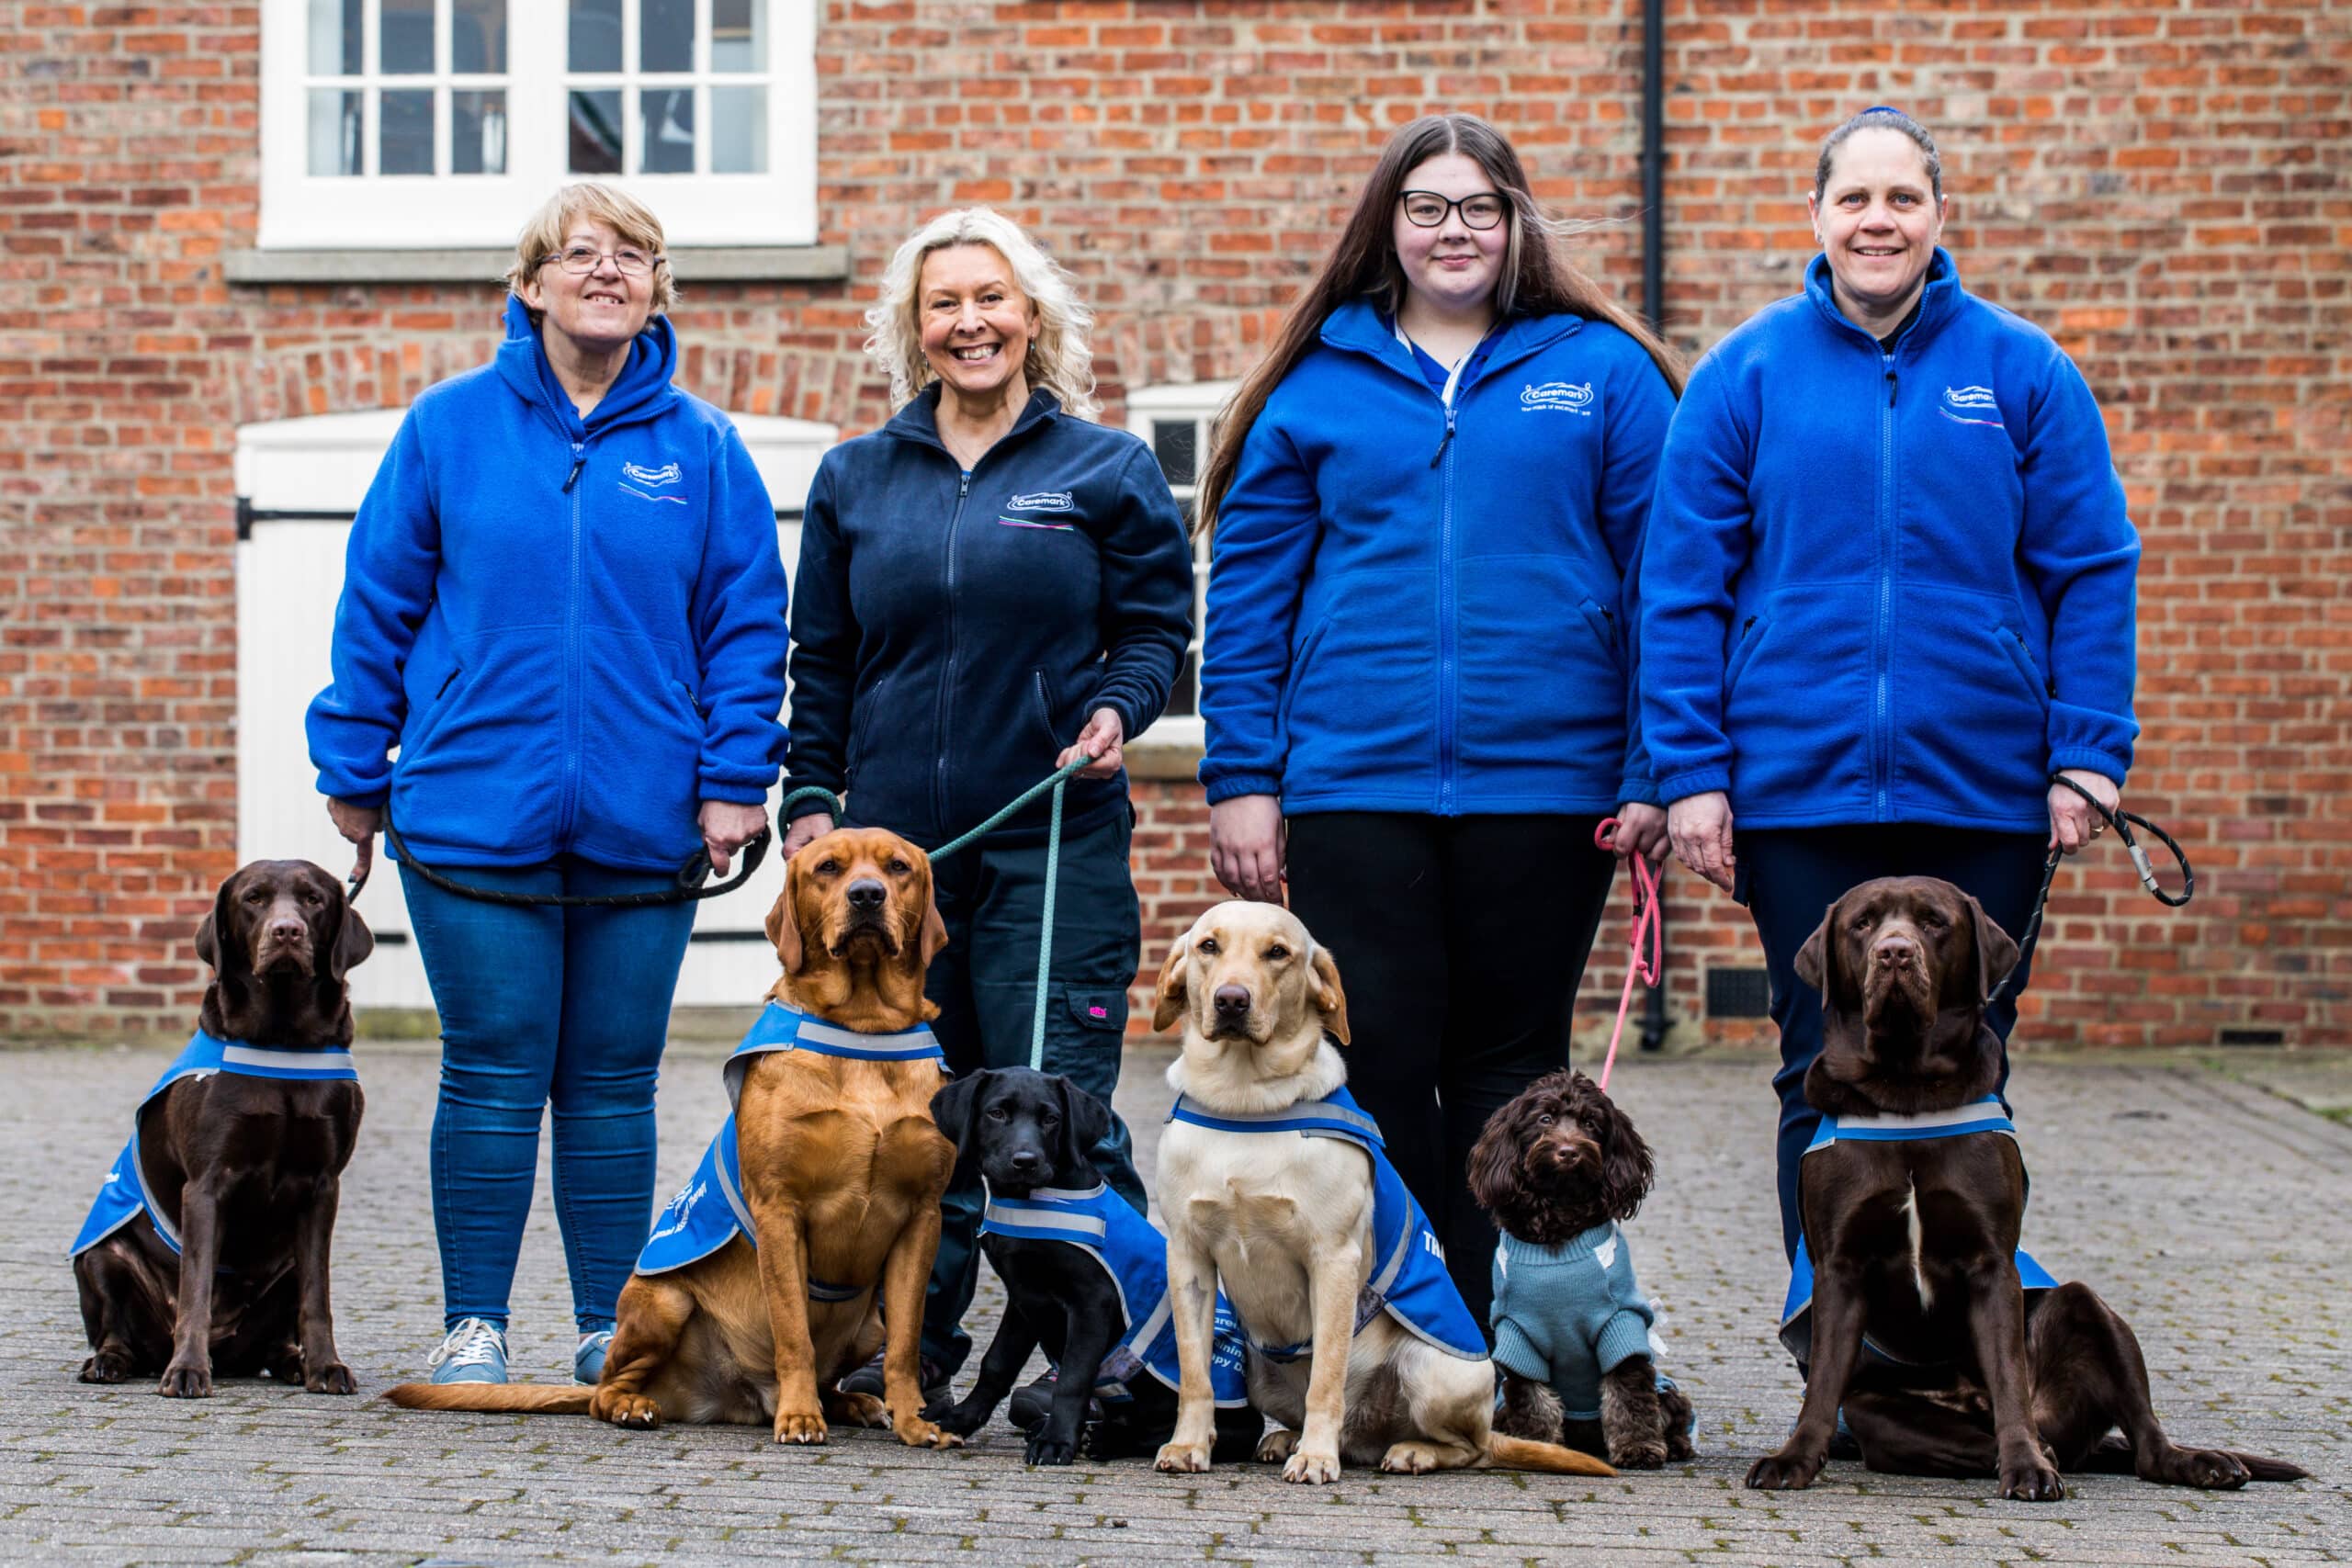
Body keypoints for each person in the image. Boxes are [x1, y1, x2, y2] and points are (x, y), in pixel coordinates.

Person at [1195, 112, 1684, 1325]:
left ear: (1515, 220)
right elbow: (1250, 599)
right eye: (1428, 207)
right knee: (1381, 1066)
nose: (1454, 229)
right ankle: (1392, 1332)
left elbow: (1663, 585)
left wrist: (1654, 764)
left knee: (1511, 1075)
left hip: (1552, 785)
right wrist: (1242, 776)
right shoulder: (1319, 384)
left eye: (1478, 206)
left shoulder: (1602, 371)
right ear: (1389, 225)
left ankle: (1491, 1345)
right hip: (1355, 783)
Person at [1639, 107, 2141, 1267]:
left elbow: (2091, 567)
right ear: (1814, 216)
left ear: (1938, 215)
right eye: (1854, 199)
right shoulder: (1742, 375)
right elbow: (1680, 587)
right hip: (1798, 795)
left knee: (1967, 1069)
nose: (1878, 221)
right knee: (1822, 1064)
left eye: (1901, 199)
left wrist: (2088, 752)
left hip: (1985, 797)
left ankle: (1967, 1362)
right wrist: (1693, 777)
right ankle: (1840, 1363)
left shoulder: (2023, 372)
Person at [307, 183, 787, 1386]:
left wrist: (735, 776)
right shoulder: (448, 427)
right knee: (493, 1063)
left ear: (657, 288)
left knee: (615, 1078)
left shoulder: (705, 450)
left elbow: (744, 625)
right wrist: (355, 767)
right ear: (532, 285)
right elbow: (379, 603)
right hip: (472, 808)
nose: (610, 271)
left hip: (644, 817)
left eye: (635, 255)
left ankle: (605, 1325)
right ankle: (474, 1322)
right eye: (583, 253)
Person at [779, 208, 1193, 1401]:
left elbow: (1159, 628)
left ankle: (1123, 1354)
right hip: (895, 865)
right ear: (915, 331)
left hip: (1054, 837)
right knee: (923, 1113)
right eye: (944, 303)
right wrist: (813, 799)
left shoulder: (1103, 468)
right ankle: (921, 1352)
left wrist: (1121, 706)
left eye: (992, 298)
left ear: (1033, 316)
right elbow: (825, 656)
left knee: (1061, 1102)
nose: (971, 321)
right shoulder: (856, 476)